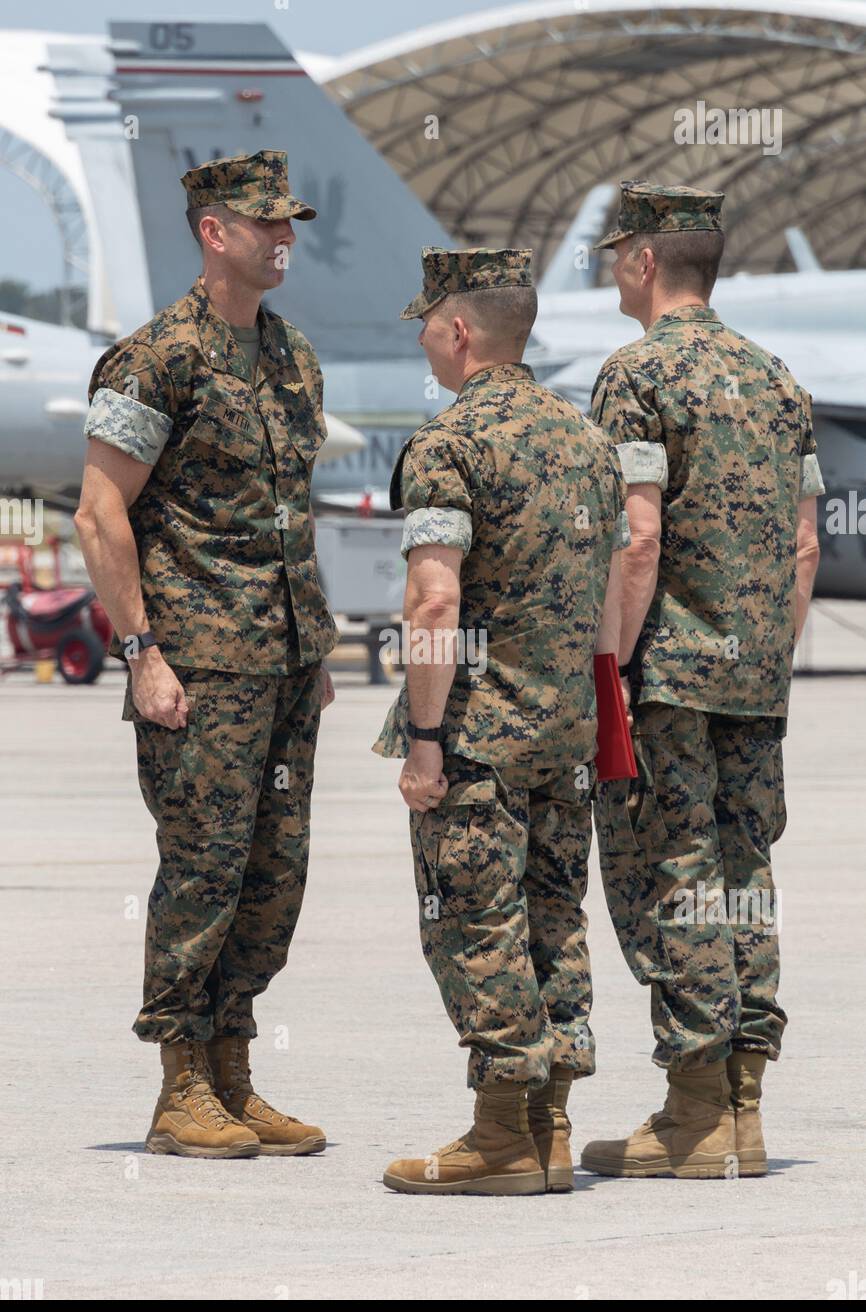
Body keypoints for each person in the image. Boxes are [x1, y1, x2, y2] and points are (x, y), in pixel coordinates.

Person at [74, 151, 337, 1159]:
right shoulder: (153, 361)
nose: (284, 240)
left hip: (282, 660)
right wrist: (142, 652)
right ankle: (179, 1081)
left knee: (274, 874)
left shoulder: (291, 356)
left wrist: (311, 641)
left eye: (290, 223)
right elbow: (103, 514)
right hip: (199, 666)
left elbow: (289, 516)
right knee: (201, 868)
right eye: (264, 223)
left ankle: (232, 1067)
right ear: (212, 232)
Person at [373, 246, 630, 1194]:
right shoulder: (588, 443)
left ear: (458, 330)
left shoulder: (450, 445)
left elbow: (433, 605)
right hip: (564, 738)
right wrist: (600, 718)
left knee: (475, 924)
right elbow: (607, 603)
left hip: (480, 739)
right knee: (556, 919)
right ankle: (553, 1125)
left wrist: (427, 745)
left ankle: (499, 1139)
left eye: (428, 328)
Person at [583, 181, 823, 1179]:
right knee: (741, 878)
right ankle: (740, 1108)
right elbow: (805, 546)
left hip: (669, 677)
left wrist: (607, 663)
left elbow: (635, 538)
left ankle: (691, 1111)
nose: (610, 272)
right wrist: (764, 652)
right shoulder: (775, 379)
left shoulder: (634, 376)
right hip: (754, 679)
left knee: (675, 880)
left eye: (613, 255)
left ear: (643, 261)